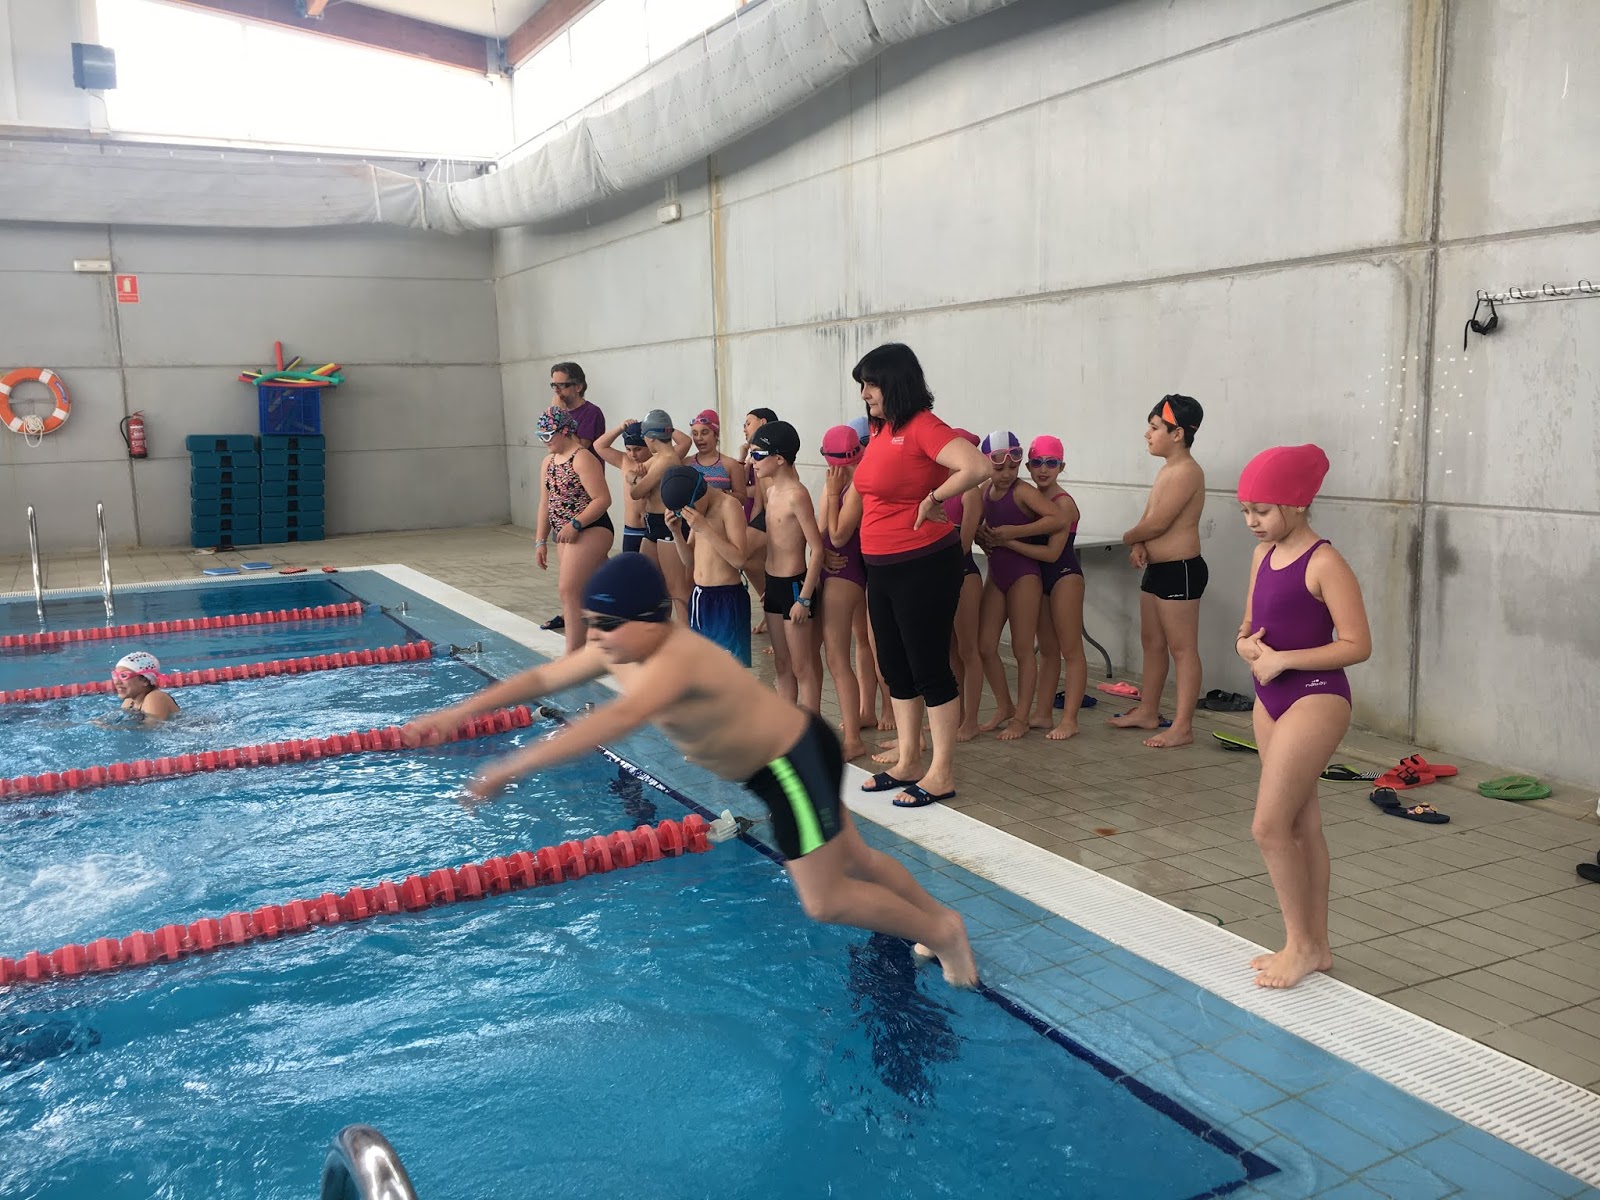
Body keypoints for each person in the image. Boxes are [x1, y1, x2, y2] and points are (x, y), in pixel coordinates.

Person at [400, 554, 979, 988]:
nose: (595, 638)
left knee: (824, 901)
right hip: (794, 753)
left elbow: (615, 719)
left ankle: (942, 934)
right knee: (859, 861)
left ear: (651, 619)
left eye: (606, 625)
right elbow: (539, 680)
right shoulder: (620, 645)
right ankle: (939, 917)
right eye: (592, 625)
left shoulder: (675, 659)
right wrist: (455, 713)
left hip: (791, 769)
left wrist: (509, 767)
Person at [1236, 444, 1370, 989]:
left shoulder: (1325, 562)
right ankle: (1315, 946)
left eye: (1261, 511)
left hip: (1316, 695)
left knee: (1268, 827)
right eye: (1246, 510)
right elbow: (1247, 628)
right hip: (1269, 697)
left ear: (1295, 504)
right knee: (1300, 823)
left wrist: (1284, 660)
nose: (1251, 522)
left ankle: (1302, 945)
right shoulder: (1261, 556)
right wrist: (1249, 649)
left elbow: (1358, 644)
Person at [834, 344, 990, 809]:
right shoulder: (882, 432)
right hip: (881, 565)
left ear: (895, 383)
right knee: (894, 666)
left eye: (870, 384)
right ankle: (907, 760)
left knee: (928, 666)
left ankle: (941, 772)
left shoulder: (924, 426)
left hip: (922, 561)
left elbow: (977, 466)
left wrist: (934, 497)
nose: (864, 394)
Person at [1111, 394, 1207, 749]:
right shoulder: (1167, 470)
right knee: (1152, 645)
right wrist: (1139, 544)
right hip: (1159, 570)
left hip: (1181, 570)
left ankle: (1182, 725)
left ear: (1177, 432)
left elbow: (1160, 524)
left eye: (1154, 428)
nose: (1147, 435)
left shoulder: (1187, 472)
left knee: (1183, 650)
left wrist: (1128, 537)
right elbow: (1150, 519)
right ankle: (1147, 710)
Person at [972, 431, 1061, 741]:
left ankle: (1022, 717)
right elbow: (976, 526)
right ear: (985, 465)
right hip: (997, 574)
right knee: (984, 646)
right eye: (999, 468)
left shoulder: (1024, 492)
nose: (1007, 474)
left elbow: (1057, 518)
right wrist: (979, 535)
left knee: (1023, 649)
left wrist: (1014, 532)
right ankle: (1005, 706)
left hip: (1024, 575)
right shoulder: (983, 491)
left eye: (1013, 467)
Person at [1000, 436, 1086, 741]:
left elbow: (1051, 554)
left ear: (1062, 466)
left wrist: (1009, 539)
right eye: (1037, 463)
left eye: (1051, 463)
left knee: (1071, 649)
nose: (1043, 469)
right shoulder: (1033, 499)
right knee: (1048, 650)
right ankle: (1042, 712)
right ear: (1028, 466)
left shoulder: (1064, 504)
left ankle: (1071, 719)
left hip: (1064, 575)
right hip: (1041, 578)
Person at [750, 420, 825, 714]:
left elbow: (816, 548)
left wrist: (804, 598)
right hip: (774, 584)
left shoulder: (797, 494)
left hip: (795, 586)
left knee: (801, 666)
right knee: (782, 664)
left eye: (757, 455)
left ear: (779, 458)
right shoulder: (770, 493)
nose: (751, 461)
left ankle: (811, 731)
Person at [535, 406, 615, 653]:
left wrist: (575, 524)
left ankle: (573, 652)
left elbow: (602, 499)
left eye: (548, 435)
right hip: (564, 533)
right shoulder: (548, 462)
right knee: (598, 590)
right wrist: (540, 541)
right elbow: (545, 503)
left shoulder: (582, 458)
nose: (544, 441)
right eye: (541, 435)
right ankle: (611, 639)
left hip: (591, 528)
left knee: (569, 589)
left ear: (565, 431)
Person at [818, 424, 874, 760]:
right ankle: (861, 719)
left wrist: (832, 493)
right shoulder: (842, 483)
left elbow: (837, 536)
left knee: (837, 657)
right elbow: (825, 530)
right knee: (844, 653)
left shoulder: (856, 485)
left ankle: (853, 738)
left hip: (847, 573)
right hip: (836, 570)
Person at [661, 464, 751, 665]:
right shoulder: (698, 513)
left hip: (726, 600)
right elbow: (689, 561)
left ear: (697, 495)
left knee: (728, 671)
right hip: (700, 598)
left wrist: (705, 528)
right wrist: (676, 532)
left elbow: (740, 559)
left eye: (686, 509)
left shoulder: (729, 506)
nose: (685, 515)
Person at [628, 409, 692, 622]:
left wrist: (637, 482)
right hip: (652, 524)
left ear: (650, 437)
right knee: (650, 582)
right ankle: (661, 629)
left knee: (677, 589)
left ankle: (686, 642)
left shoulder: (666, 460)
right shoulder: (658, 458)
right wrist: (636, 479)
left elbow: (636, 492)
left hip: (669, 524)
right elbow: (631, 473)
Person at [738, 407, 779, 634]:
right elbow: (752, 495)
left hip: (778, 516)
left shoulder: (774, 450)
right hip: (764, 514)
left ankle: (779, 620)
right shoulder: (757, 455)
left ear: (762, 422)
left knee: (740, 554)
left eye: (747, 423)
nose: (744, 429)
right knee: (749, 561)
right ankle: (769, 608)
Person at [594, 421, 654, 556]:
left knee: (653, 571)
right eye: (628, 449)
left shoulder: (659, 461)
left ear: (650, 445)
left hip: (652, 528)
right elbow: (598, 446)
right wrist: (620, 428)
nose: (632, 454)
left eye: (638, 449)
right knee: (630, 570)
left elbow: (684, 443)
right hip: (631, 528)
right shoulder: (624, 460)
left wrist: (660, 428)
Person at [687, 409, 747, 509]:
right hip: (692, 521)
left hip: (721, 520)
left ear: (716, 434)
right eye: (695, 433)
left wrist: (722, 494)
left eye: (704, 433)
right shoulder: (686, 463)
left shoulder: (731, 464)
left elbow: (742, 498)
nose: (699, 438)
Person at [548, 361, 606, 447]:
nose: (556, 390)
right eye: (554, 385)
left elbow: (580, 448)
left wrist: (562, 416)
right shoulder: (556, 412)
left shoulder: (591, 412)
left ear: (578, 387)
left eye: (561, 385)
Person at [110, 651, 178, 722]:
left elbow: (151, 728)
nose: (116, 682)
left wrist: (110, 728)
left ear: (145, 680)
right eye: (115, 675)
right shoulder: (129, 702)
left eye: (123, 676)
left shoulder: (155, 697)